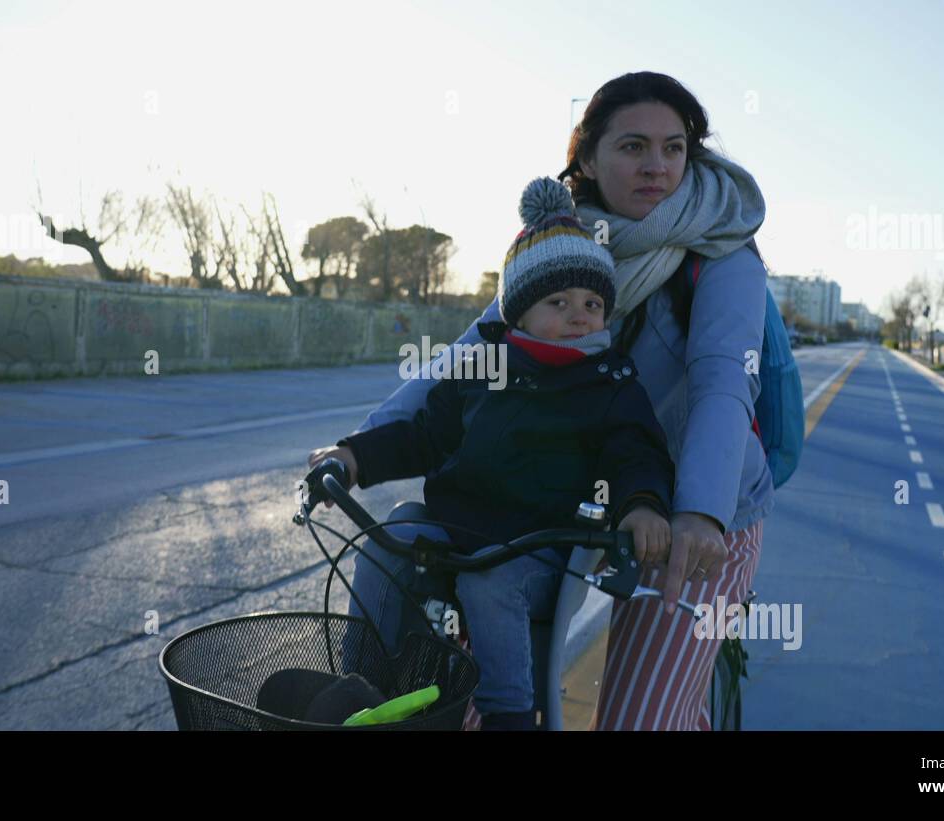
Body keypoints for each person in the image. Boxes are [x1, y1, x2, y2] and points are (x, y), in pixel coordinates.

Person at [322, 71, 774, 731]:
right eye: (633, 147)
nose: (657, 166)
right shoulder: (555, 245)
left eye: (673, 148)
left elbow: (722, 381)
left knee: (644, 719)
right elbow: (467, 357)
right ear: (588, 157)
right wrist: (353, 450)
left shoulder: (722, 249)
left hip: (701, 513)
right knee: (465, 692)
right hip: (566, 507)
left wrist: (699, 511)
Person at [308, 177, 676, 730]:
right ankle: (363, 688)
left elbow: (635, 454)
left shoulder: (610, 383)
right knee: (388, 544)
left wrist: (642, 503)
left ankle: (509, 715)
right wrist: (355, 458)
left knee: (492, 582)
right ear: (520, 312)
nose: (580, 315)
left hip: (539, 549)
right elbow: (423, 435)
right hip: (456, 529)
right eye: (559, 302)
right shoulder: (483, 369)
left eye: (593, 303)